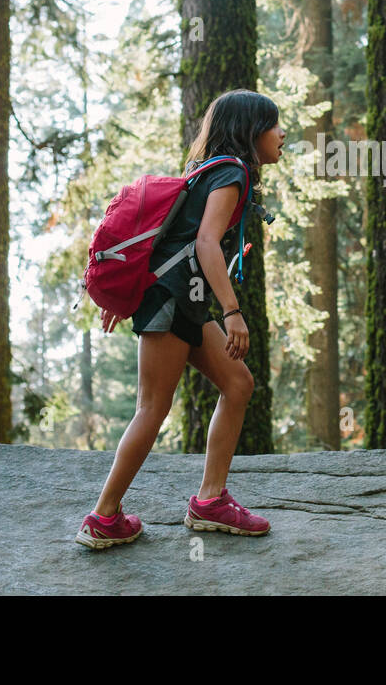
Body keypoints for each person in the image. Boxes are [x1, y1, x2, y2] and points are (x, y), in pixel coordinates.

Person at [75, 89, 286, 549]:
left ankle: (209, 501)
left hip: (184, 302)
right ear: (251, 130)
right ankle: (103, 517)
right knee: (153, 407)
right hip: (172, 300)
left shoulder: (210, 171)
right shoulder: (230, 172)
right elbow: (206, 243)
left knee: (238, 384)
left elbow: (170, 238)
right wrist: (232, 312)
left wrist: (132, 292)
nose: (282, 133)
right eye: (273, 124)